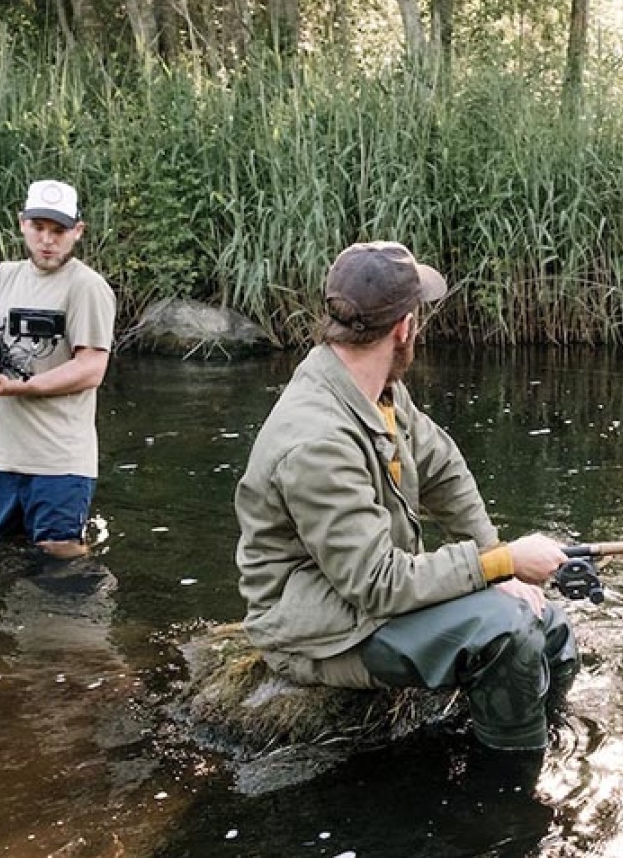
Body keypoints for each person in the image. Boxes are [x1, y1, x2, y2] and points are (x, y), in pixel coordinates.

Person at [235, 240, 578, 752]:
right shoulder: (316, 440)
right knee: (508, 633)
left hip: (366, 603)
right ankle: (510, 797)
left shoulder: (378, 389)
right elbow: (376, 583)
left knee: (549, 624)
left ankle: (542, 746)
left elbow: (442, 467)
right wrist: (498, 560)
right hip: (318, 631)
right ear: (404, 327)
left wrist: (503, 569)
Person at [0, 179, 116, 559]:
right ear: (22, 224)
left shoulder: (88, 287)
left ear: (77, 232)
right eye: (39, 228)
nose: (47, 240)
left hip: (61, 460)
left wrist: (18, 388)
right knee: (8, 556)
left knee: (60, 556)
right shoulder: (5, 276)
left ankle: (93, 614)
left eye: (59, 230)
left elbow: (91, 369)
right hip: (6, 458)